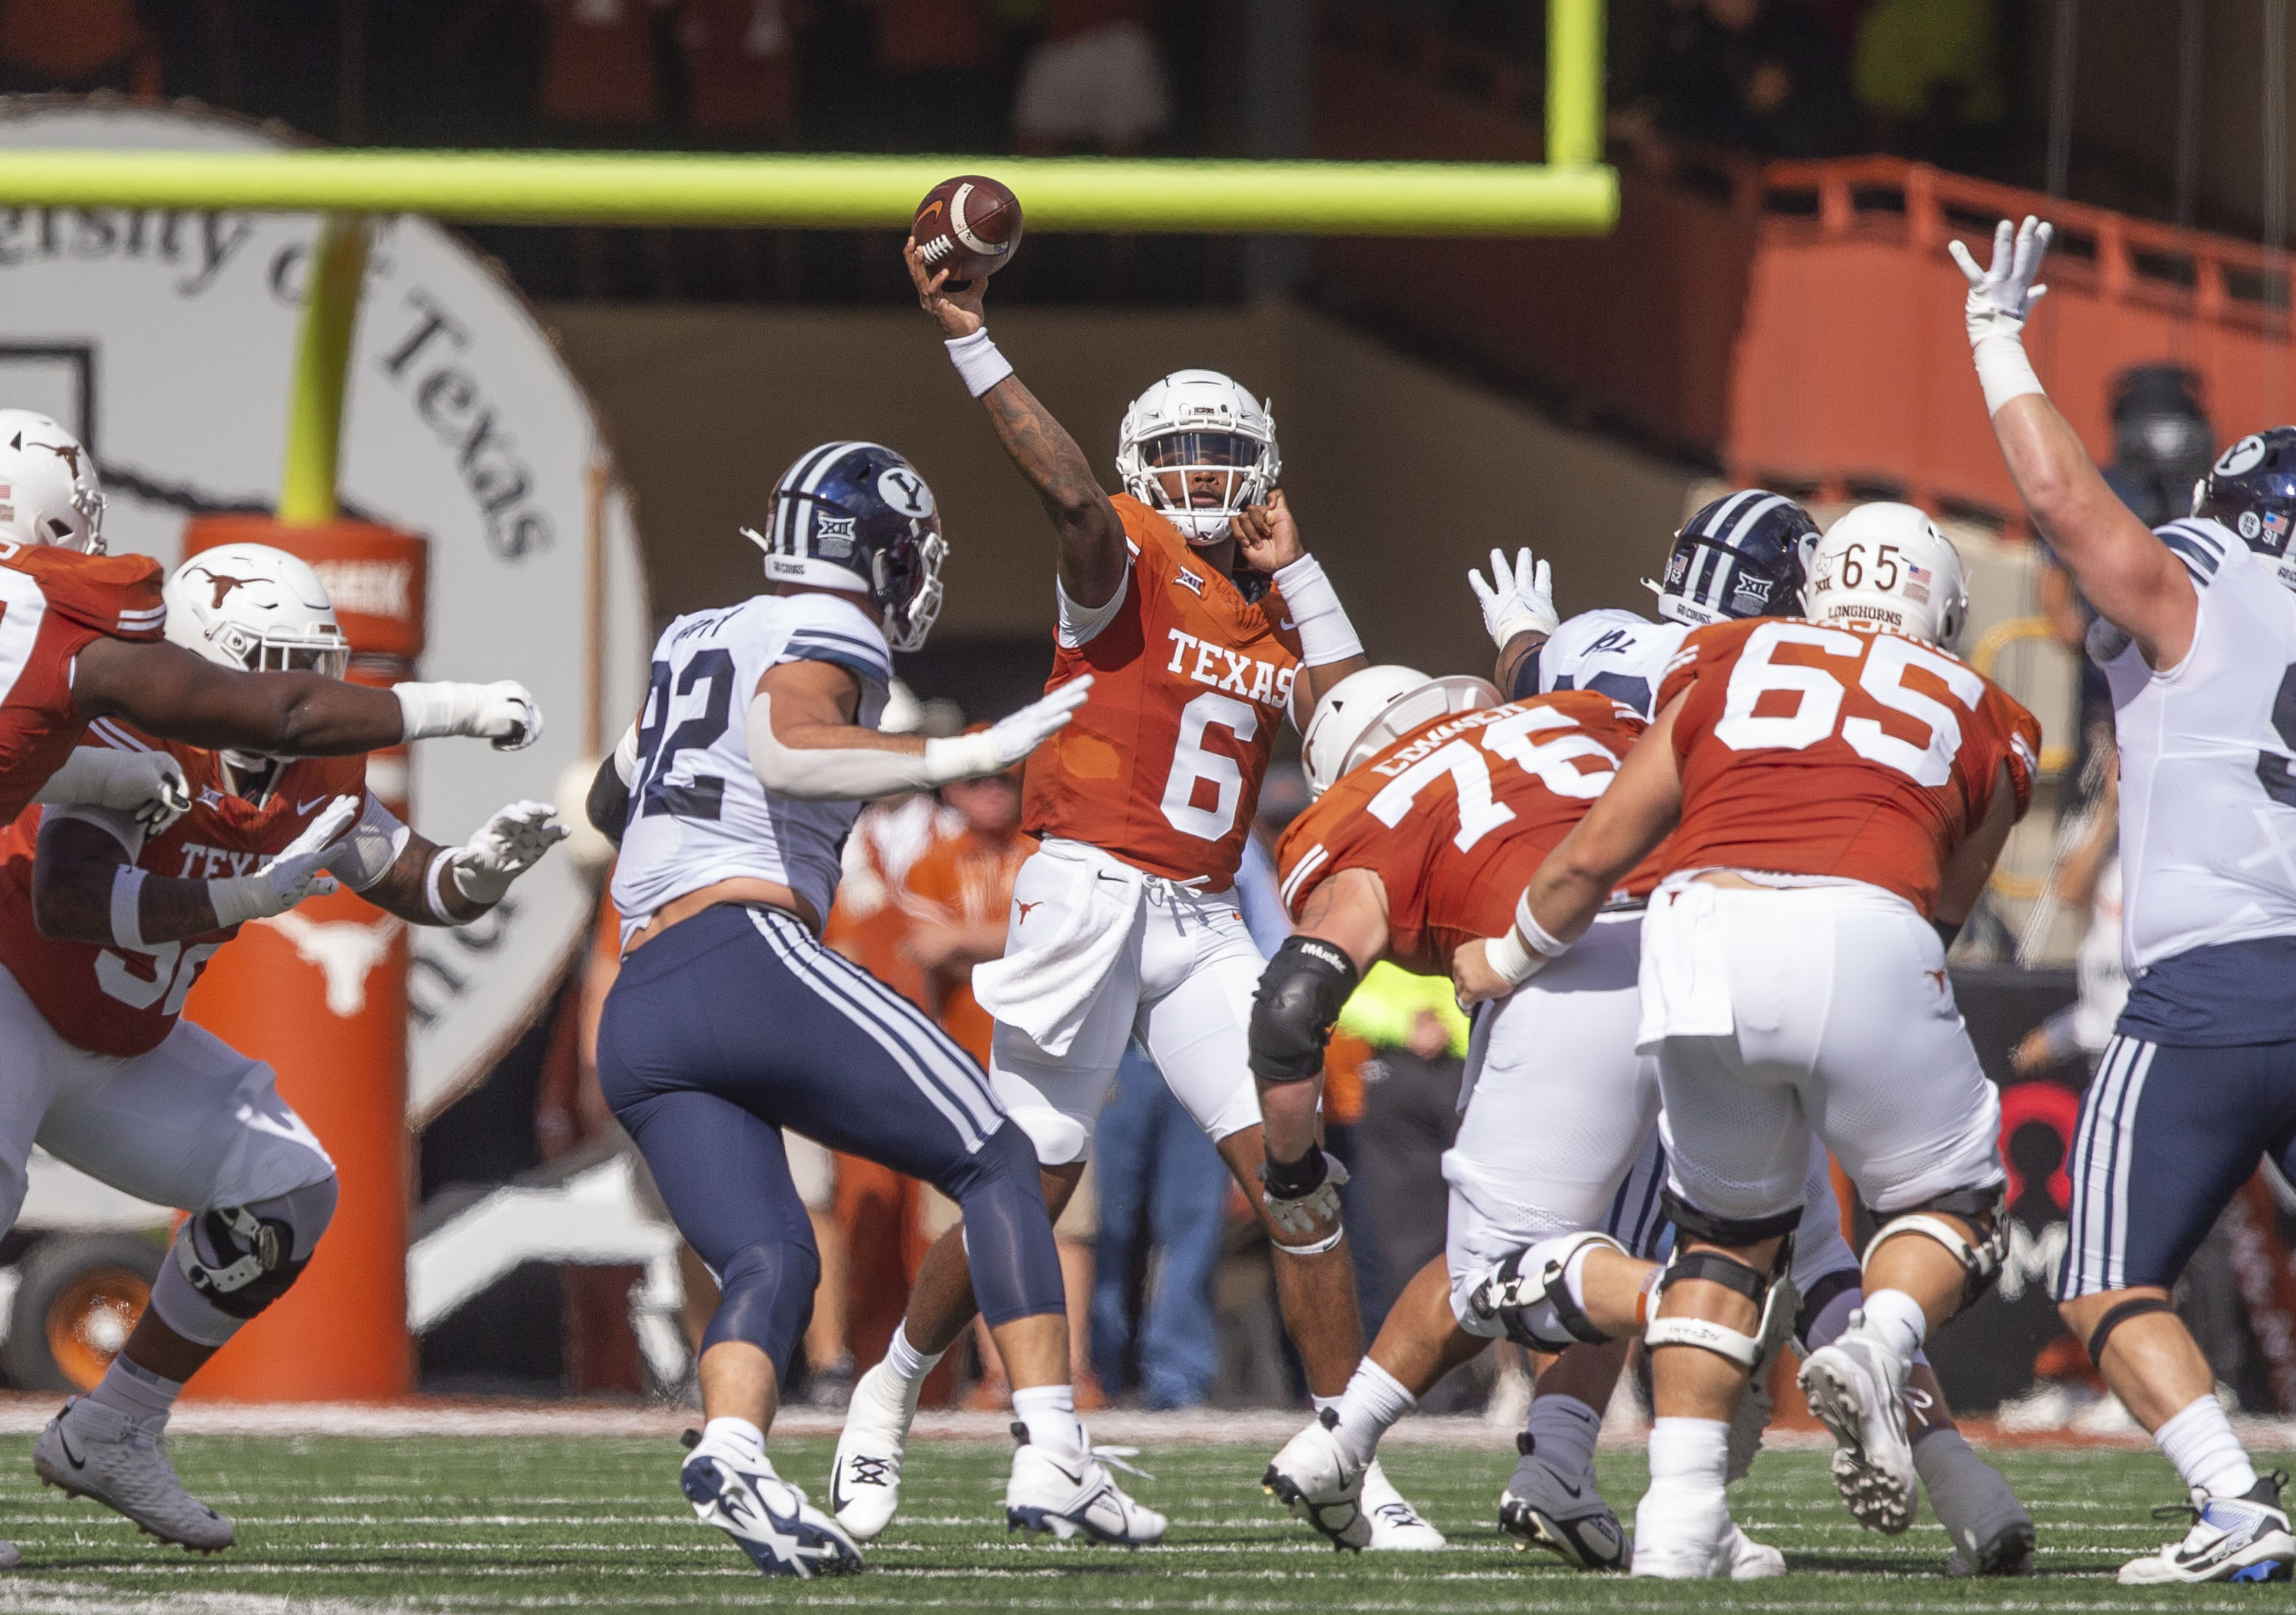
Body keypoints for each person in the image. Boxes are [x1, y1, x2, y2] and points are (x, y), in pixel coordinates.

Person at [833, 240, 1443, 1549]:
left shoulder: (1282, 605)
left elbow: (1356, 731)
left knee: (1298, 1184)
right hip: (1087, 888)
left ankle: (1347, 1458)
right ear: (1141, 468)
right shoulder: (1124, 550)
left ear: (1265, 468)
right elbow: (1065, 492)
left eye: (1228, 455)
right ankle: (885, 1394)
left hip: (1204, 919)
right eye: (1183, 456)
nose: (1206, 479)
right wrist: (970, 338)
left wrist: (1308, 569)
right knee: (1027, 1180)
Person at [585, 440, 1159, 1578]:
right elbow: (787, 747)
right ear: (874, 552)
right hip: (741, 950)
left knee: (769, 1257)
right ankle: (1052, 1447)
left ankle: (737, 1451)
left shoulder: (690, 634)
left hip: (642, 1000)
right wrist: (961, 750)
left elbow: (615, 795)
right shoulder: (833, 630)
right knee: (1002, 1153)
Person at [1457, 503, 2040, 1578]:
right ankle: (1879, 1343)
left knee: (1720, 1240)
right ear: (1944, 611)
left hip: (1695, 935)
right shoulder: (1990, 710)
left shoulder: (1718, 660)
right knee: (1948, 1208)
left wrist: (1502, 957)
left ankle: (1678, 1519)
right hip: (1863, 928)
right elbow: (1942, 918)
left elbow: (1591, 857)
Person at [3, 543, 565, 1550]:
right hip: (12, 996)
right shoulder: (133, 735)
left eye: (315, 663)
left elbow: (411, 882)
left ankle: (114, 1426)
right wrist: (235, 899)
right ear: (213, 659)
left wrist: (481, 873)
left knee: (286, 1188)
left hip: (120, 1041)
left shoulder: (317, 770)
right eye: (278, 662)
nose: (303, 689)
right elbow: (71, 901)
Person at [1957, 213, 2296, 1584]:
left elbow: (2072, 514)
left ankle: (2233, 1504)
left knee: (2102, 1277)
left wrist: (1995, 345)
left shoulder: (2202, 578)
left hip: (2213, 982)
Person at [0, 410, 540, 831]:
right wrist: (463, 708)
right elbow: (281, 714)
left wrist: (102, 778)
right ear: (44, 517)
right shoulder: (53, 615)